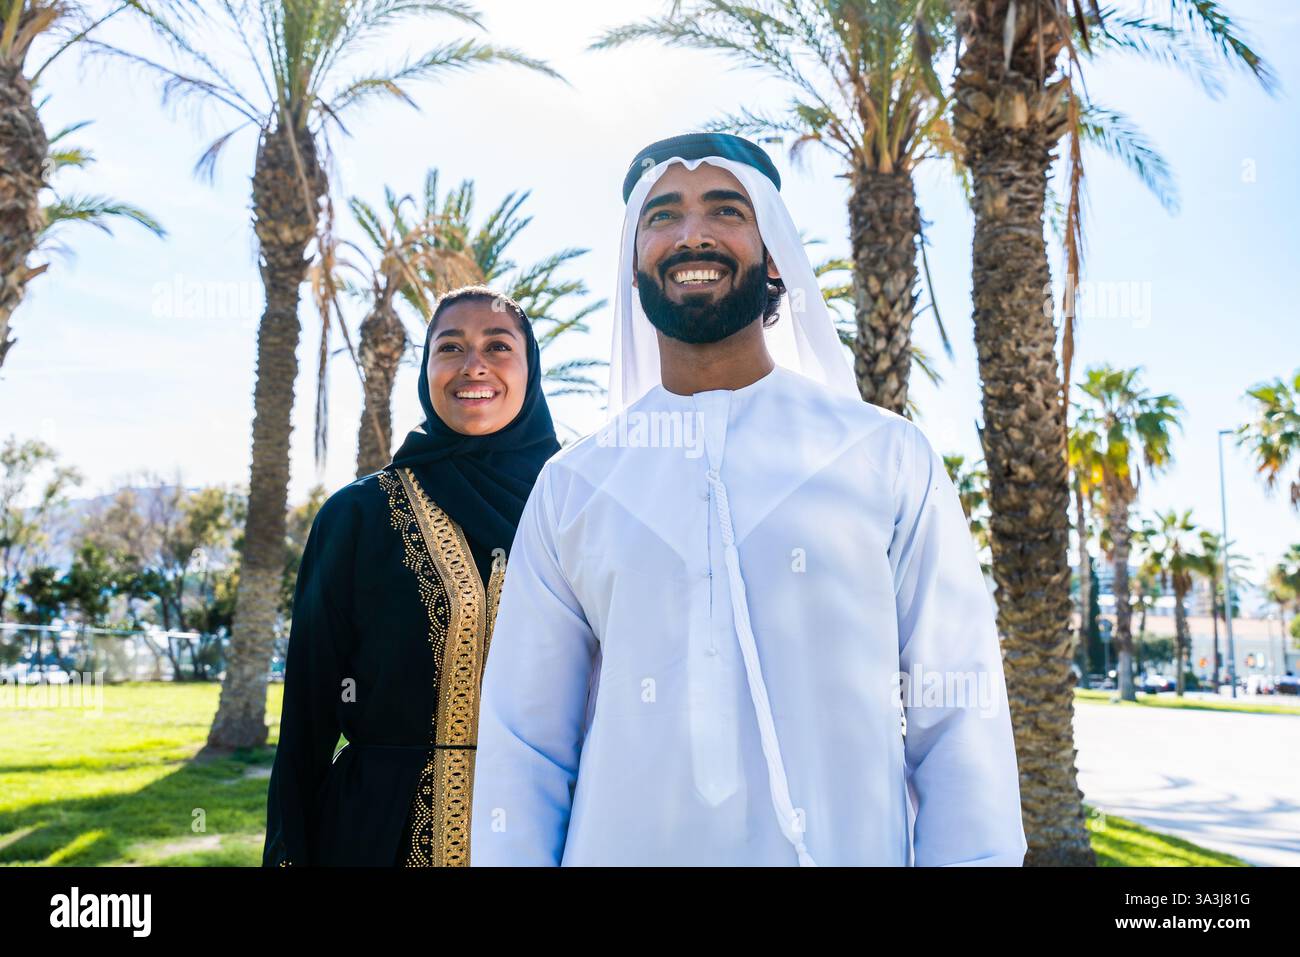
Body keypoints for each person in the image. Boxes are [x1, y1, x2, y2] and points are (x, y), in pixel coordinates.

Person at [470, 132, 1028, 866]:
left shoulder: (884, 457)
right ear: (634, 259)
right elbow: (526, 742)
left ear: (773, 255)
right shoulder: (574, 485)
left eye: (725, 210)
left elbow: (958, 716)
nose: (692, 233)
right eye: (662, 215)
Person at [263, 286, 559, 866]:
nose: (473, 365)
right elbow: (309, 712)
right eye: (450, 347)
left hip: (540, 827)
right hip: (379, 835)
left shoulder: (575, 508)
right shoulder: (357, 515)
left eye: (498, 346)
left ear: (531, 372)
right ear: (426, 370)